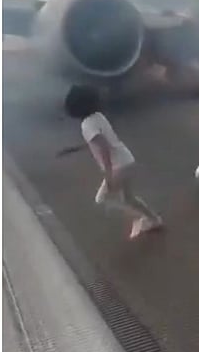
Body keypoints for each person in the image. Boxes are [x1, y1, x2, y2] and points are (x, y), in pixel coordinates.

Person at [64, 85, 163, 239]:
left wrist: (108, 174)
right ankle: (153, 219)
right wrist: (76, 149)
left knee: (102, 200)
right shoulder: (98, 116)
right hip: (126, 159)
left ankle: (141, 217)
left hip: (118, 166)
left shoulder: (86, 125)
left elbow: (104, 148)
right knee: (128, 198)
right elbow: (99, 141)